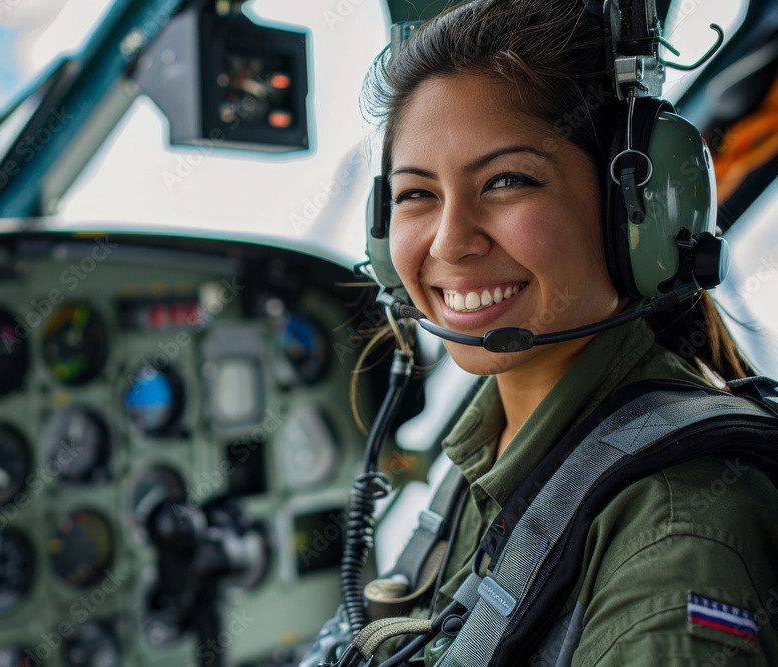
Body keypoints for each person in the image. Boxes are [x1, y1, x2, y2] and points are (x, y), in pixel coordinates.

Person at [306, 0, 778, 664]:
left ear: (631, 218)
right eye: (418, 194)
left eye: (507, 181)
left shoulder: (678, 531)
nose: (450, 241)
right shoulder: (503, 439)